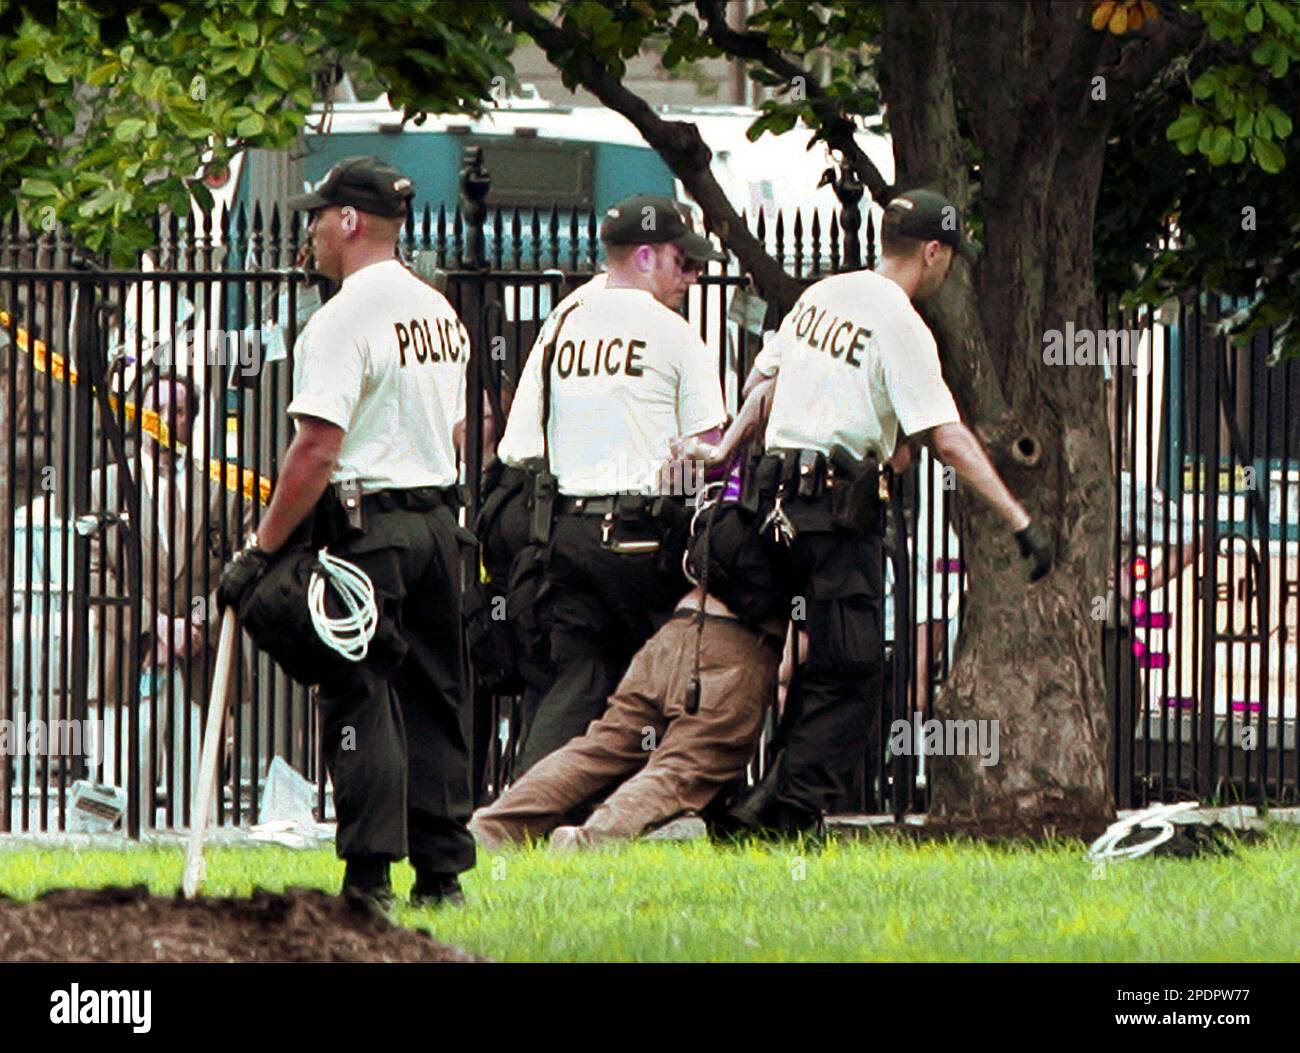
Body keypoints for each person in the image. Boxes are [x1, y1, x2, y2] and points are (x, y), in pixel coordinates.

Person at [720, 188, 1054, 837]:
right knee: (851, 668)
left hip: (769, 500)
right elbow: (949, 438)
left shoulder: (822, 294)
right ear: (933, 251)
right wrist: (1019, 520)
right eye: (951, 256)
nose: (950, 268)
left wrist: (726, 450)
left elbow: (763, 386)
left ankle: (753, 798)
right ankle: (782, 815)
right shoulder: (900, 322)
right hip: (833, 516)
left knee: (785, 654)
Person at [216, 155, 473, 911]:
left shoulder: (339, 320)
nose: (313, 232)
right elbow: (459, 428)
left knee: (360, 694)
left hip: (369, 531)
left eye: (319, 217)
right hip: (436, 524)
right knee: (435, 699)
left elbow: (317, 448)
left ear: (351, 221)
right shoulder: (439, 313)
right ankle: (441, 872)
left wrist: (261, 548)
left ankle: (368, 875)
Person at [469, 389, 787, 849]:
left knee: (597, 748)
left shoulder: (727, 468)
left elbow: (761, 393)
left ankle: (493, 825)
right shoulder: (800, 496)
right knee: (681, 767)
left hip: (671, 637)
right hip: (732, 653)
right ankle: (592, 837)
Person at [495, 194, 728, 774]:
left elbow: (518, 444)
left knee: (573, 682)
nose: (693, 276)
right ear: (646, 256)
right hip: (642, 542)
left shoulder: (565, 321)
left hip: (562, 534)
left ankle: (530, 804)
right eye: (684, 262)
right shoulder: (676, 335)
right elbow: (710, 446)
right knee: (656, 682)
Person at [85, 371, 255, 822]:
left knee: (197, 801)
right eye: (156, 408)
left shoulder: (226, 488)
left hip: (203, 658)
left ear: (192, 420)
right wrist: (156, 626)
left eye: (178, 410)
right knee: (122, 795)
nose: (165, 418)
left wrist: (199, 625)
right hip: (131, 656)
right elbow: (95, 573)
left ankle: (193, 885)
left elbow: (247, 563)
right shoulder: (105, 485)